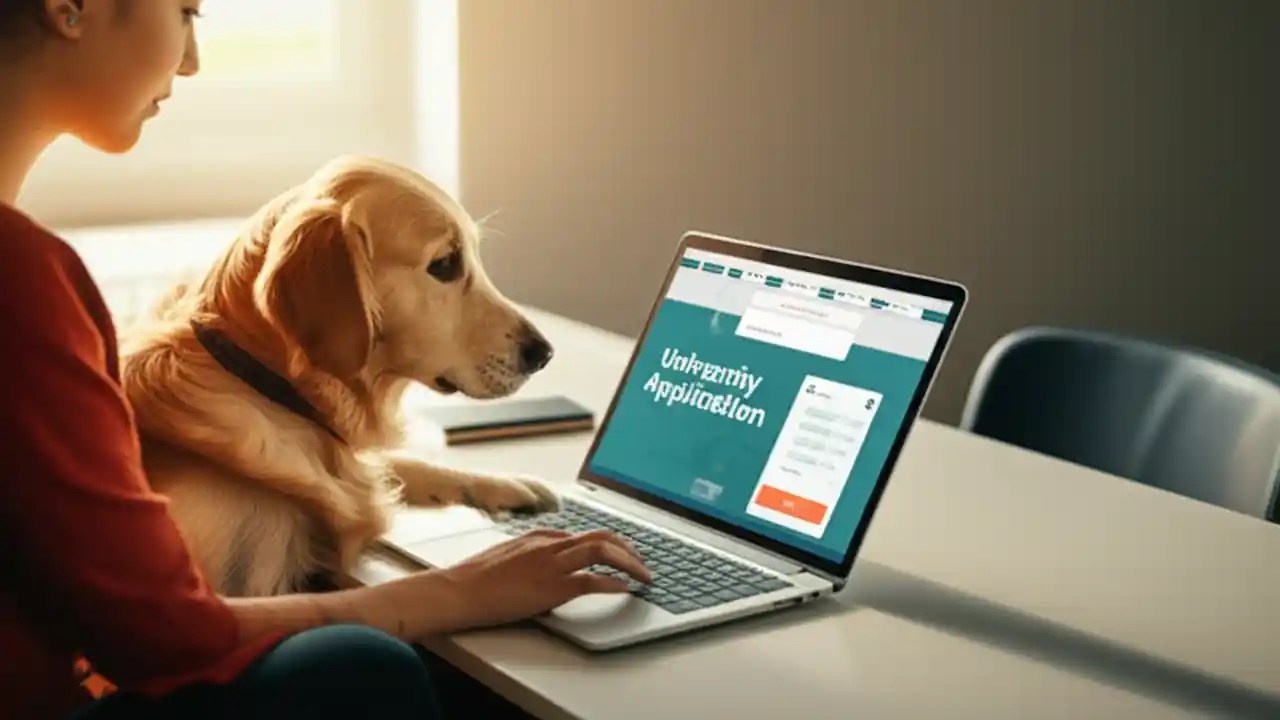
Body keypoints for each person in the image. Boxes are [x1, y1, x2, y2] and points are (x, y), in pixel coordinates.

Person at [0, 1, 651, 718]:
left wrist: (426, 486)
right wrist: (464, 590)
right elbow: (163, 633)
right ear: (71, 9)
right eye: (185, 10)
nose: (191, 60)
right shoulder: (20, 278)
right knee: (366, 670)